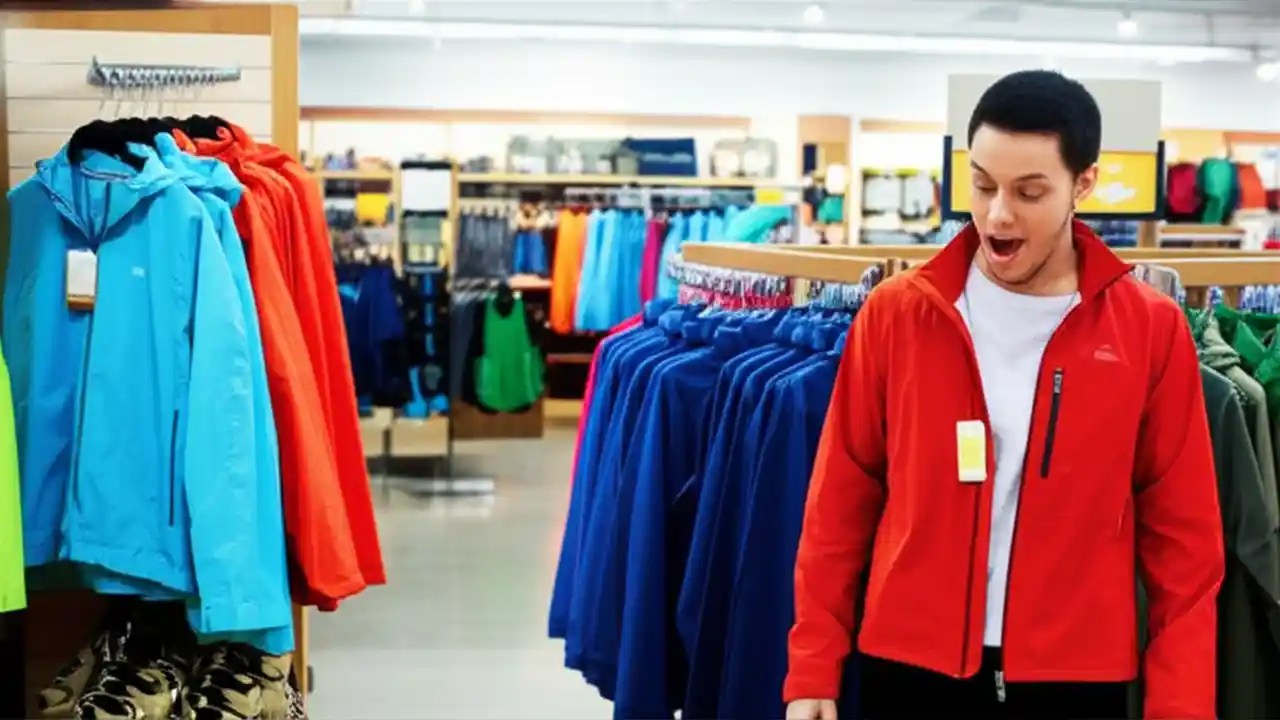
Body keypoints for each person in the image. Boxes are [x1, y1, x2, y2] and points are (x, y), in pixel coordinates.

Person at [784, 70, 1224, 720]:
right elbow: (839, 504)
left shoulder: (1148, 330)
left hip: (1073, 678)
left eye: (1029, 191)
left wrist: (1182, 705)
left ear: (1084, 184)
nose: (997, 214)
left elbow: (1184, 542)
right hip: (909, 667)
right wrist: (813, 668)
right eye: (983, 184)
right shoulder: (899, 315)